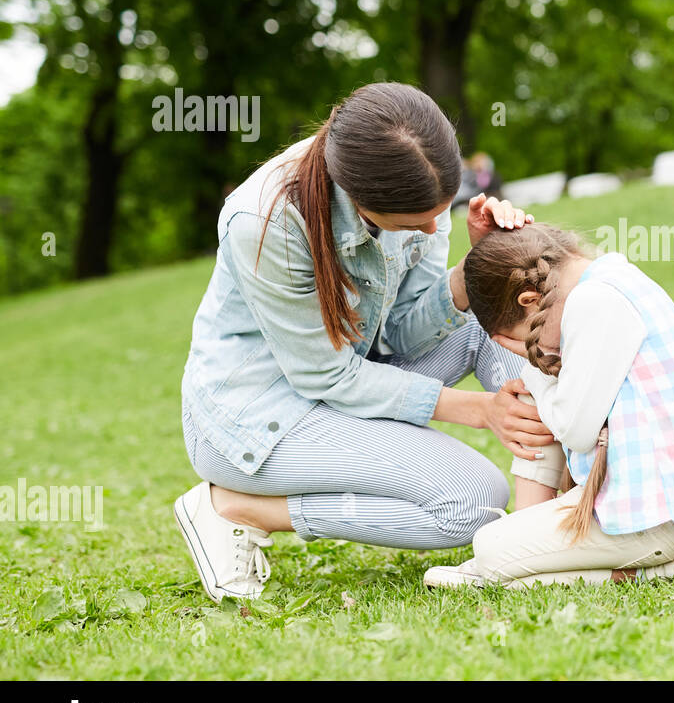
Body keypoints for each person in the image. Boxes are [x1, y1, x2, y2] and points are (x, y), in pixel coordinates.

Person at [175, 82, 553, 603]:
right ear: (359, 198)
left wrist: (473, 274)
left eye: (438, 215)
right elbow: (326, 376)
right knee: (474, 504)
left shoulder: (416, 180)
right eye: (411, 225)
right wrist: (482, 410)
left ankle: (557, 507)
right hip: (261, 418)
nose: (428, 230)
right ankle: (233, 507)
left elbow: (396, 331)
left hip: (353, 376)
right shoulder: (264, 222)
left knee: (490, 313)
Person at [423, 224, 674, 590]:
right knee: (502, 544)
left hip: (659, 522)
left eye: (520, 340)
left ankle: (663, 569)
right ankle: (531, 548)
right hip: (672, 507)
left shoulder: (596, 303)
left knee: (491, 549)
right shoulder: (609, 277)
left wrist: (533, 368)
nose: (531, 350)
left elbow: (575, 429)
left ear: (529, 301)